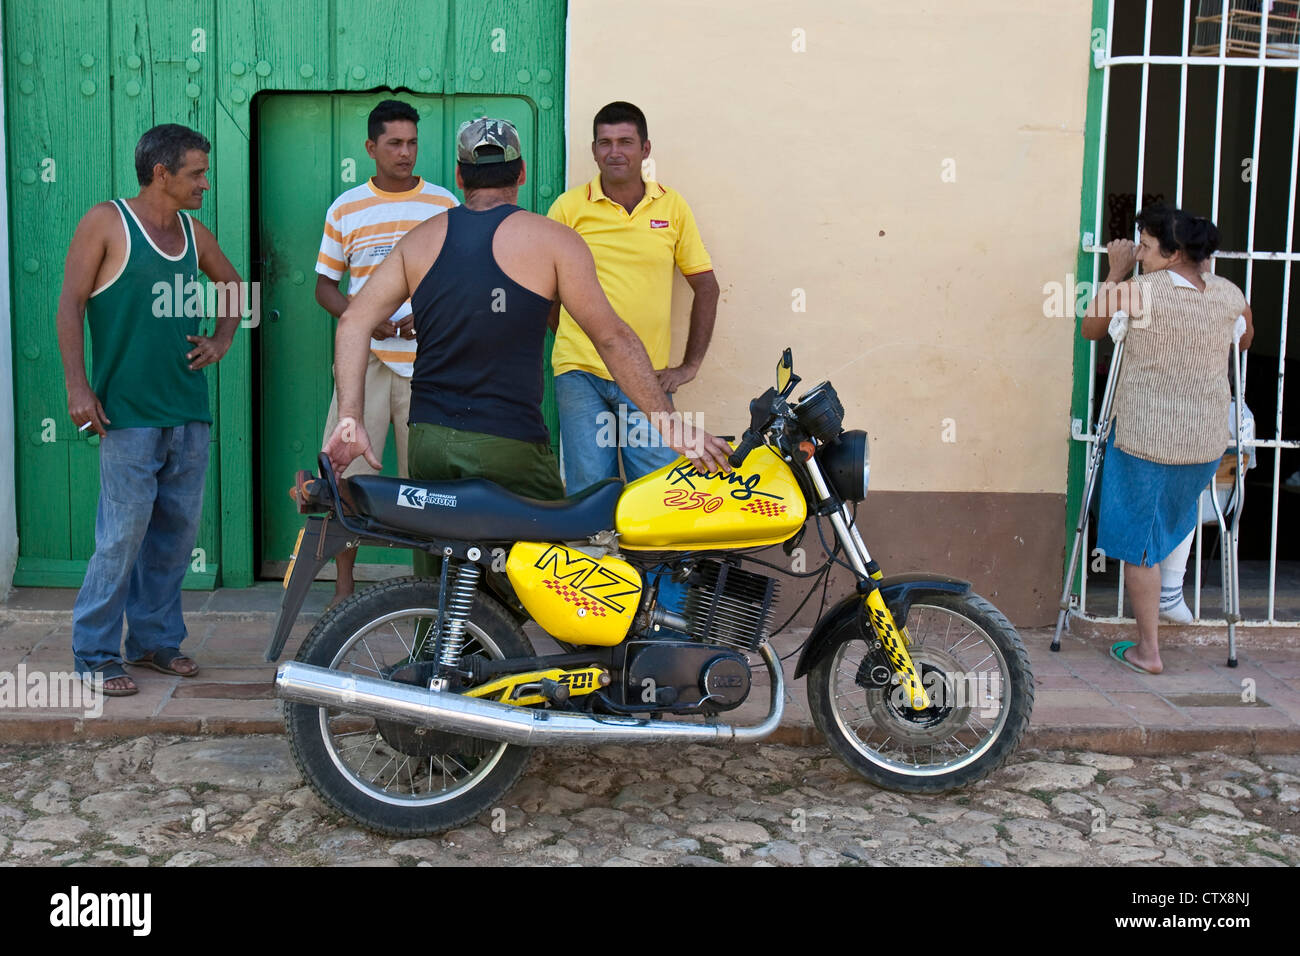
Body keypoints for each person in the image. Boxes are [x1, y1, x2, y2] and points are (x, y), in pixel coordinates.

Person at [322, 118, 732, 570]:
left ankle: (442, 639)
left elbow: (353, 323)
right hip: (510, 444)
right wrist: (669, 425)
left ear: (460, 177)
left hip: (429, 439)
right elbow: (612, 338)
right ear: (521, 174)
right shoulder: (555, 241)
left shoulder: (418, 242)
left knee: (442, 581)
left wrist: (350, 418)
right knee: (553, 571)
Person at [56, 124, 243, 696]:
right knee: (121, 536)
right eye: (196, 173)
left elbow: (234, 286)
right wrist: (77, 387)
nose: (205, 184)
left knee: (174, 537)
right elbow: (70, 304)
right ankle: (93, 653)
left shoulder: (192, 230)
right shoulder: (107, 222)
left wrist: (222, 340)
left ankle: (155, 642)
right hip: (128, 414)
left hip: (188, 411)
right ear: (161, 174)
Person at [1083, 205, 1247, 674]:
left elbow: (1090, 328)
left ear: (1175, 254)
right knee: (1168, 525)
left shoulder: (1138, 291)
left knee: (1138, 544)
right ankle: (1172, 596)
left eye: (1147, 247)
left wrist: (1114, 271)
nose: (1140, 254)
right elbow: (1245, 338)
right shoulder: (1229, 293)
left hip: (1144, 442)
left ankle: (1148, 652)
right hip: (1203, 444)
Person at [315, 99, 458, 603]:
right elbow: (325, 287)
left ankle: (438, 589)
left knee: (434, 482)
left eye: (412, 142)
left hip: (430, 363)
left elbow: (459, 281)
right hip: (366, 365)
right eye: (394, 143)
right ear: (371, 148)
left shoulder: (443, 204)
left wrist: (429, 315)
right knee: (348, 475)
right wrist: (368, 318)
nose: (406, 152)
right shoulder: (347, 206)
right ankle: (345, 586)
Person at [546, 101, 720, 492]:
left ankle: (655, 559)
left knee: (660, 491)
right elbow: (547, 292)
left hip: (646, 375)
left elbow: (706, 287)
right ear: (593, 151)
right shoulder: (569, 209)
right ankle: (596, 554)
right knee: (590, 493)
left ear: (645, 148)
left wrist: (689, 366)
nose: (614, 152)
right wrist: (575, 339)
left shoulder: (671, 206)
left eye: (625, 141)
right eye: (605, 143)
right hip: (580, 374)